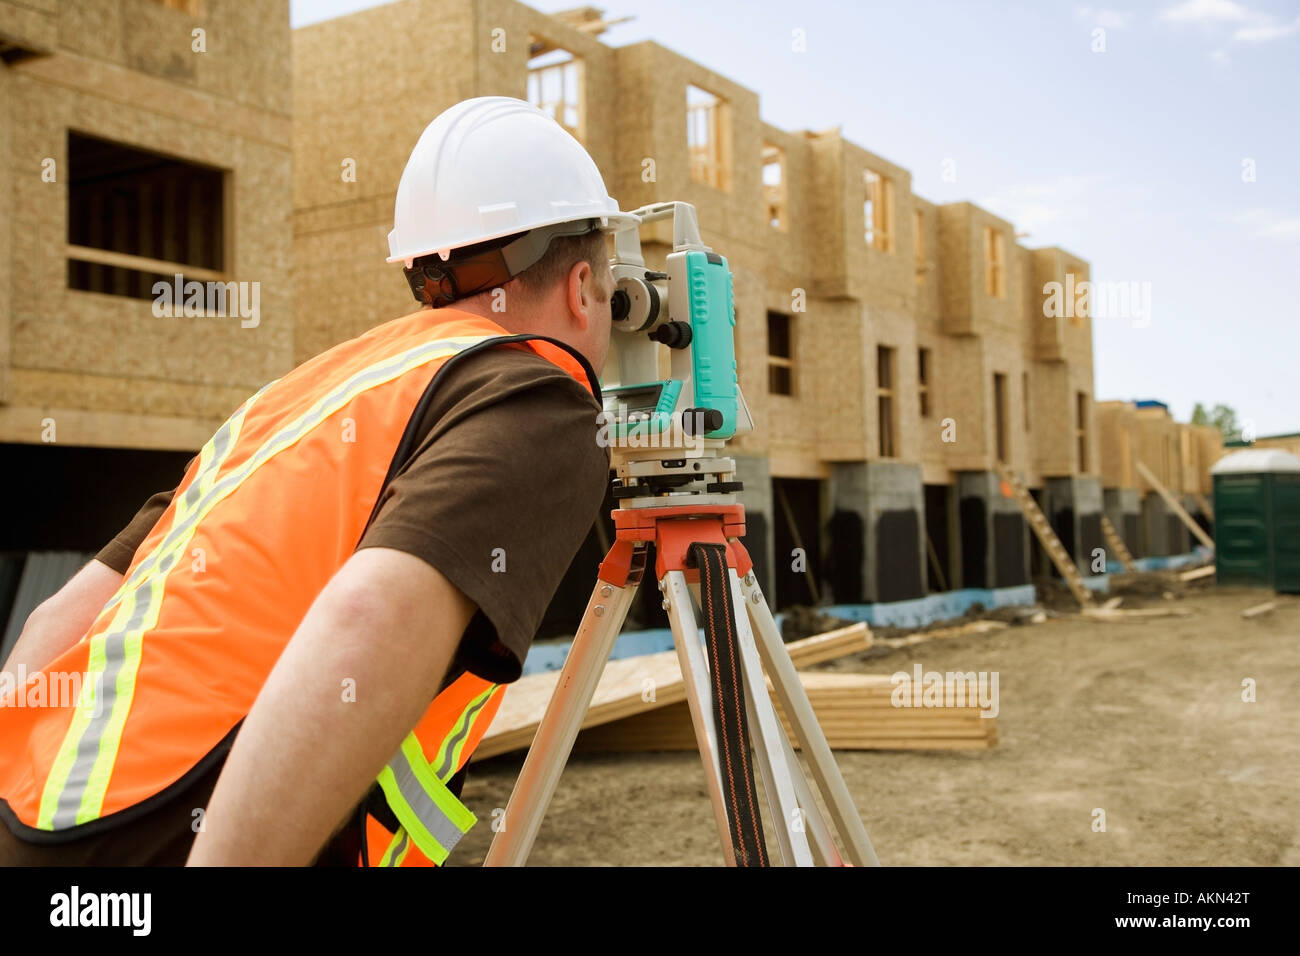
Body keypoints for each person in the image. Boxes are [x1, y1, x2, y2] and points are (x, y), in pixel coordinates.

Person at [0, 96, 636, 866]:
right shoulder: (538, 392)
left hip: (34, 823)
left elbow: (54, 625)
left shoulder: (303, 394)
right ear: (579, 287)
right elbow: (370, 609)